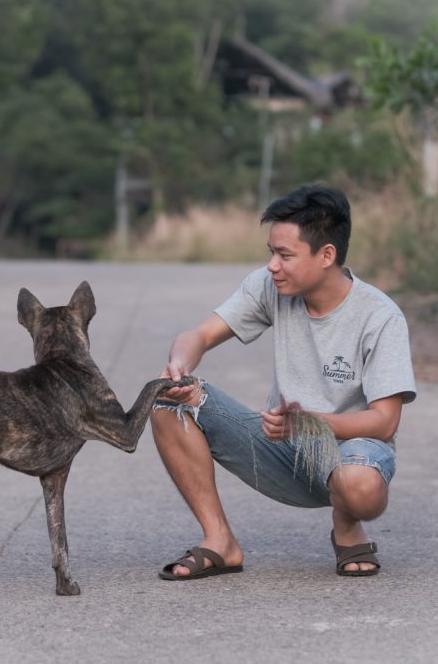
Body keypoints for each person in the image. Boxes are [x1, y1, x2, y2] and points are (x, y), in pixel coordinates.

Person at [151, 183, 416, 580]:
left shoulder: (380, 317)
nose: (273, 265)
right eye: (271, 253)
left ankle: (347, 528)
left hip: (350, 457)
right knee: (168, 402)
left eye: (285, 255)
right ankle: (220, 540)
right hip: (280, 447)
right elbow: (200, 336)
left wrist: (308, 421)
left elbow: (385, 422)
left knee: (359, 485)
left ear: (327, 254)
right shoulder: (270, 285)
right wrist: (177, 366)